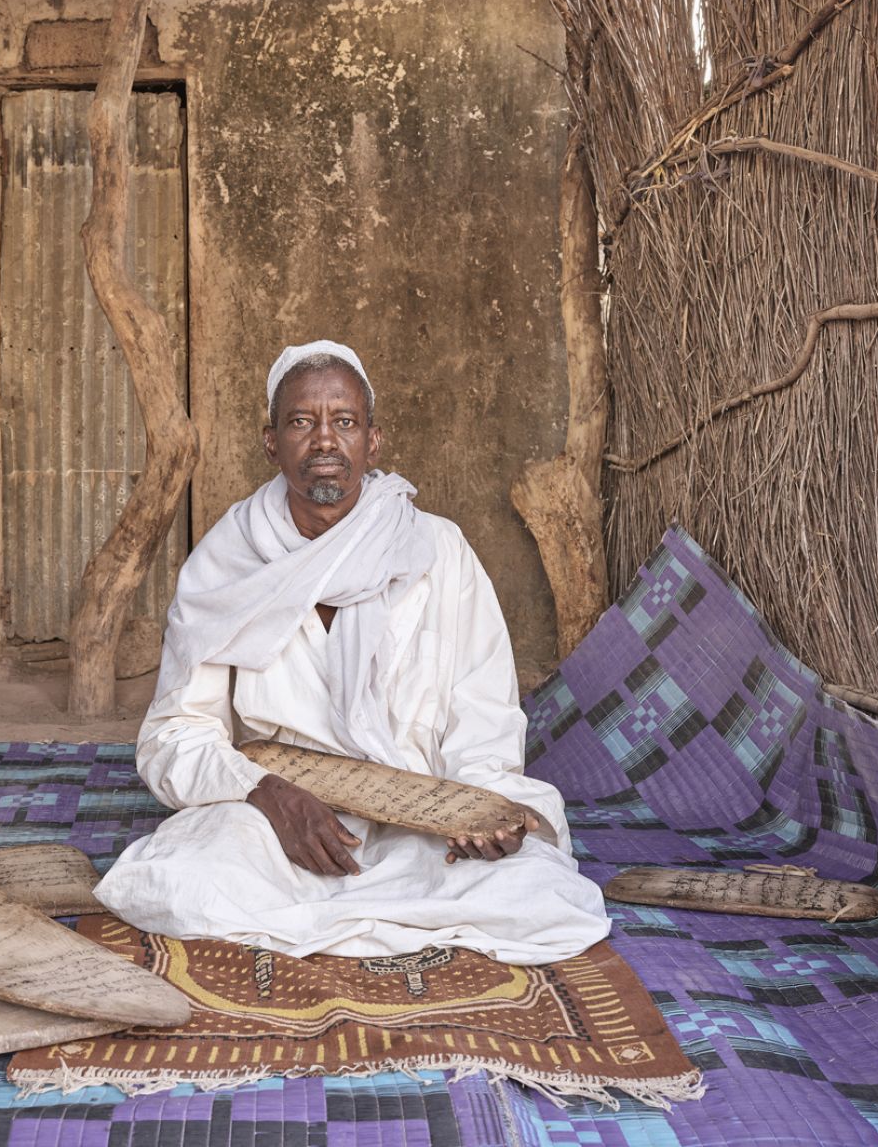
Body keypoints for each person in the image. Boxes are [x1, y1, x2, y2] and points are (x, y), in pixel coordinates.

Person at [93, 341, 610, 965]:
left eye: (344, 421)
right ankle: (387, 917)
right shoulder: (224, 565)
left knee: (543, 895)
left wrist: (477, 812)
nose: (324, 440)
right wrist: (267, 794)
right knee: (181, 880)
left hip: (420, 814)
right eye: (301, 421)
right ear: (271, 443)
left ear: (373, 441)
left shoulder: (437, 550)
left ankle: (338, 918)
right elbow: (175, 736)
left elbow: (483, 714)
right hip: (281, 817)